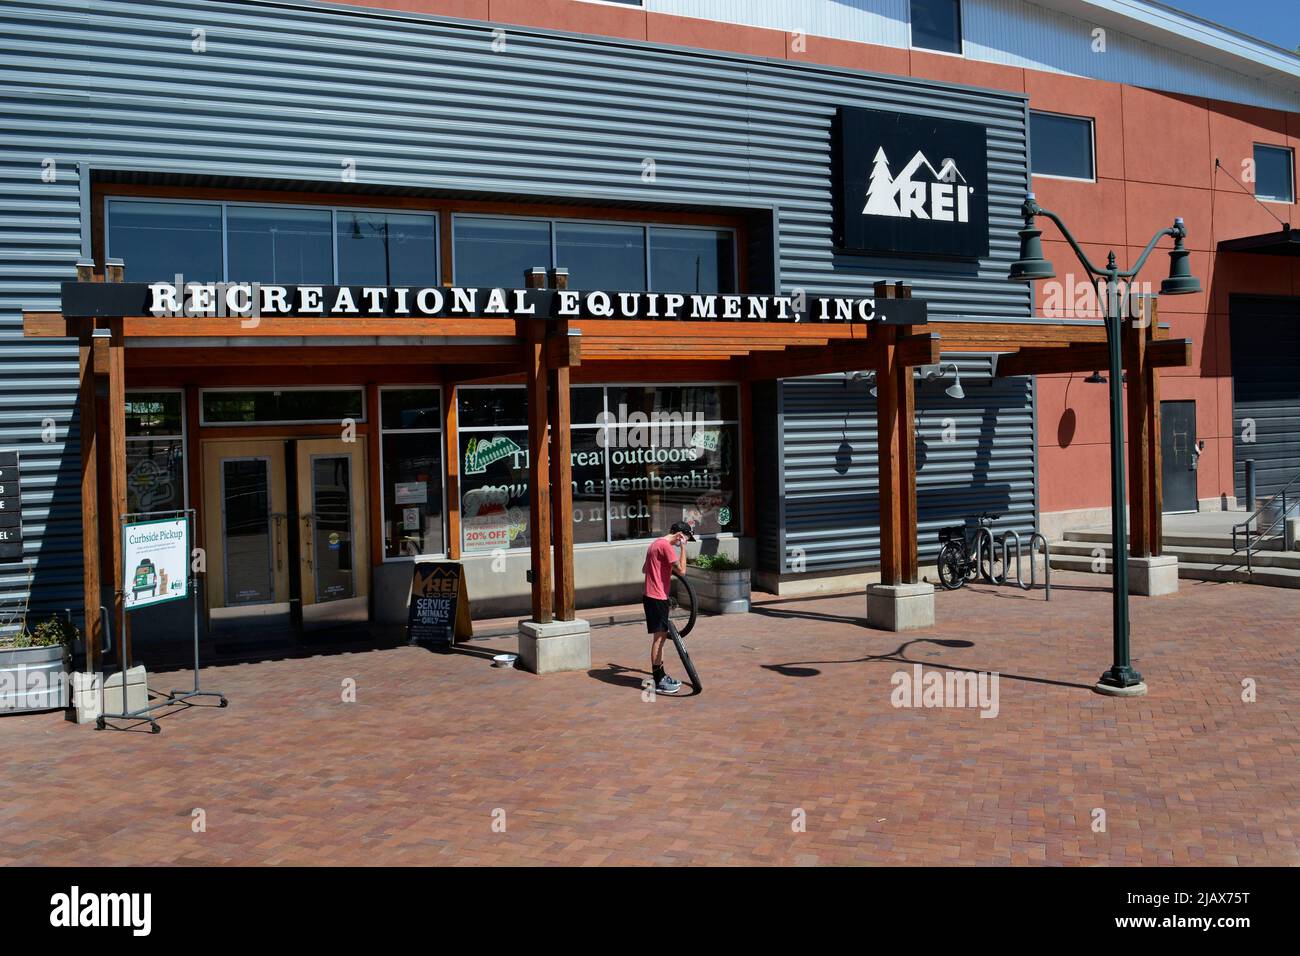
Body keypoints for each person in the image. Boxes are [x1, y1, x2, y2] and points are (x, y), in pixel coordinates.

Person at [643, 521, 695, 694]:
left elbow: (645, 569)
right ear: (680, 535)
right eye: (685, 538)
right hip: (657, 597)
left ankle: (661, 676)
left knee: (661, 638)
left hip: (651, 596)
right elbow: (682, 571)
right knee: (659, 639)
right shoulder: (666, 547)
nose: (683, 541)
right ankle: (658, 681)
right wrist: (683, 549)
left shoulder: (654, 544)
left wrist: (662, 568)